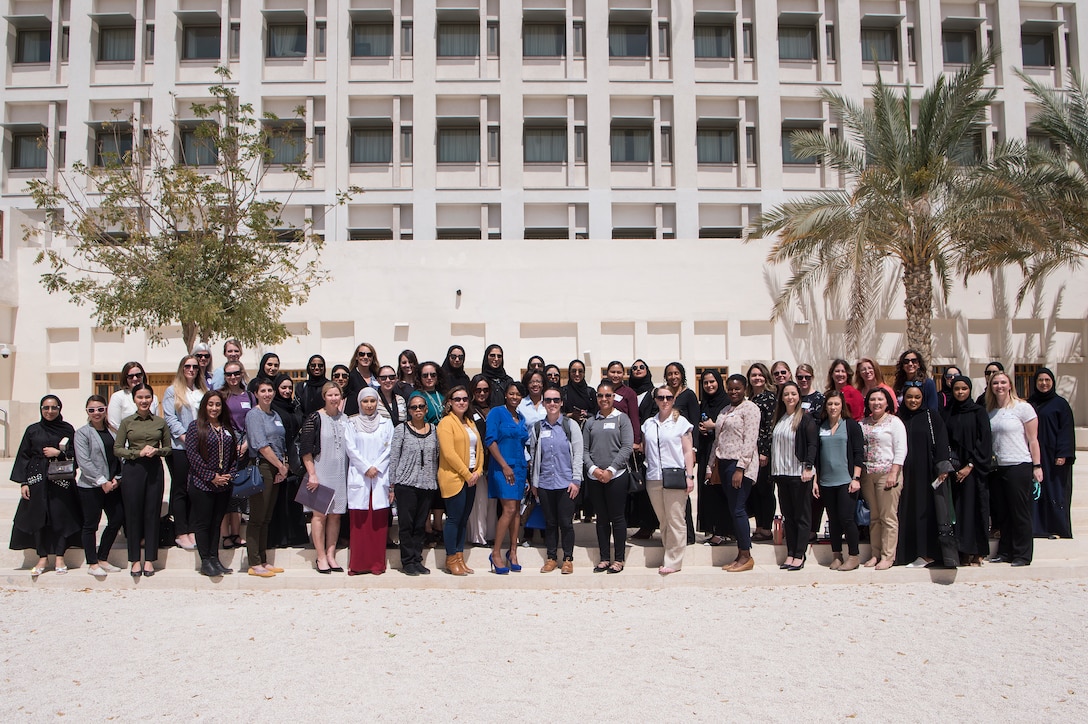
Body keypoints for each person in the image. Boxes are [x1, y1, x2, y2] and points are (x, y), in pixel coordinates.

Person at [10, 395, 80, 576]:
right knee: (38, 517)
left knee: (61, 516)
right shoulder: (33, 430)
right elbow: (24, 455)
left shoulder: (67, 429)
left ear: (59, 409)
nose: (50, 411)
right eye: (46, 408)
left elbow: (76, 453)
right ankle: (42, 557)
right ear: (41, 409)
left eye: (54, 407)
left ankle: (59, 557)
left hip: (61, 480)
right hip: (37, 479)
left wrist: (59, 453)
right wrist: (24, 482)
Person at [896, 383, 957, 568]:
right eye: (909, 397)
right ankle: (907, 553)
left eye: (917, 397)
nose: (913, 401)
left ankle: (926, 554)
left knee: (925, 511)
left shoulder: (932, 417)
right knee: (906, 511)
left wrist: (943, 468)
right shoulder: (899, 418)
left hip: (927, 473)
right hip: (904, 473)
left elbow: (942, 441)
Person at [113, 384, 172, 577]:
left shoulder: (160, 422)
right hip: (133, 470)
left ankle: (149, 559)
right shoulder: (127, 422)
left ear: (152, 399)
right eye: (140, 397)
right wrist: (137, 453)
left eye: (147, 397)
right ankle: (134, 560)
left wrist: (157, 450)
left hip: (154, 469)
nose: (144, 401)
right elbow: (117, 448)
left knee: (152, 513)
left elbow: (168, 448)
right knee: (133, 514)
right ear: (134, 399)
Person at [986, 371, 1043, 567]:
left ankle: (1022, 554)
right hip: (998, 467)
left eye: (1003, 382)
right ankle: (1005, 552)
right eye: (995, 383)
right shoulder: (990, 411)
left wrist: (1037, 465)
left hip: (1019, 465)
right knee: (1003, 512)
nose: (999, 386)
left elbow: (1033, 440)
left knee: (1020, 512)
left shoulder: (1023, 408)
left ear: (1010, 385)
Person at [642, 385, 696, 575]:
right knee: (663, 520)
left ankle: (674, 561)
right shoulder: (648, 424)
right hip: (653, 477)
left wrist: (689, 476)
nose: (665, 401)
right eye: (661, 397)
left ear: (674, 400)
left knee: (676, 519)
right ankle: (669, 553)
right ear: (655, 400)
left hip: (674, 475)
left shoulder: (681, 423)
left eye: (669, 397)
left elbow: (688, 451)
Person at [528, 388, 583, 574]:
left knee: (566, 523)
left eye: (556, 400)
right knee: (550, 523)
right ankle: (551, 558)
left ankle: (568, 559)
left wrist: (576, 480)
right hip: (545, 483)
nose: (552, 403)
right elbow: (534, 456)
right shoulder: (538, 427)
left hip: (567, 483)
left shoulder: (570, 426)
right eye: (548, 400)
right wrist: (534, 482)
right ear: (543, 403)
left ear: (561, 402)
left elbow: (578, 454)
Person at [184, 391, 239, 577]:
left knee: (216, 523)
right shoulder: (195, 427)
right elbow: (193, 455)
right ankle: (205, 560)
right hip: (202, 484)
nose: (214, 408)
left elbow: (234, 455)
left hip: (223, 484)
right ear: (204, 406)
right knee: (204, 523)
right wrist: (211, 476)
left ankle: (215, 558)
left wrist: (230, 474)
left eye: (217, 404)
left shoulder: (226, 427)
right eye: (210, 404)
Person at [582, 381, 634, 574]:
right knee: (601, 518)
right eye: (600, 395)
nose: (604, 399)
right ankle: (604, 558)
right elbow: (584, 450)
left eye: (608, 395)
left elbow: (627, 447)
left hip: (617, 476)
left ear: (613, 397)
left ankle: (618, 559)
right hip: (595, 477)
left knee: (617, 517)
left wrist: (611, 470)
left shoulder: (622, 419)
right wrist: (594, 469)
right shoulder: (590, 422)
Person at [712, 374, 761, 572]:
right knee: (733, 509)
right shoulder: (725, 410)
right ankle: (740, 554)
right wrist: (711, 466)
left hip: (739, 465)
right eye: (730, 389)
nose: (733, 392)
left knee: (739, 509)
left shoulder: (750, 408)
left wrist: (741, 467)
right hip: (723, 462)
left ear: (745, 389)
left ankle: (746, 555)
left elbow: (750, 440)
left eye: (737, 388)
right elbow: (718, 439)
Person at [942, 375, 993, 565]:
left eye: (964, 388)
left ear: (970, 390)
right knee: (959, 510)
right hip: (954, 469)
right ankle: (962, 550)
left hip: (974, 469)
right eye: (957, 389)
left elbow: (984, 440)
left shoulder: (978, 412)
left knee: (976, 507)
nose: (960, 392)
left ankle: (978, 550)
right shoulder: (948, 412)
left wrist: (970, 465)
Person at [300, 382, 350, 573]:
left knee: (336, 515)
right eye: (330, 395)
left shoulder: (345, 419)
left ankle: (331, 554)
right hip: (320, 472)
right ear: (324, 396)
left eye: (337, 395)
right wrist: (312, 474)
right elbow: (306, 449)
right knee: (319, 515)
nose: (334, 398)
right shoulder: (315, 417)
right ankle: (320, 556)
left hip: (340, 473)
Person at [345, 387, 395, 575]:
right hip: (360, 476)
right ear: (360, 403)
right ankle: (358, 565)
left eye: (372, 401)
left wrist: (377, 467)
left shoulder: (386, 423)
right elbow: (350, 448)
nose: (369, 405)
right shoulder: (351, 423)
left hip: (380, 477)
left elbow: (390, 448)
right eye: (365, 401)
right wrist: (366, 467)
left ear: (377, 402)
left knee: (378, 522)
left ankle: (376, 564)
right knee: (360, 523)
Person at [74, 395, 125, 577]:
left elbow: (120, 456)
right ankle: (92, 563)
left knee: (117, 519)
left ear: (105, 410)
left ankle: (102, 558)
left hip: (113, 485)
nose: (96, 413)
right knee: (91, 525)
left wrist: (117, 478)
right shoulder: (82, 433)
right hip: (91, 487)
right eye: (92, 410)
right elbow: (84, 461)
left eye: (100, 409)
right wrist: (101, 481)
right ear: (87, 412)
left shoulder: (113, 431)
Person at [389, 391, 439, 575]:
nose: (418, 410)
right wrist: (392, 485)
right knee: (406, 524)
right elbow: (394, 458)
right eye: (414, 407)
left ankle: (417, 559)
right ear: (409, 410)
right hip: (406, 484)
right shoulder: (401, 429)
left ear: (426, 409)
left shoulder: (434, 430)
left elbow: (437, 455)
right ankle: (407, 561)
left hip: (427, 484)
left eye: (421, 406)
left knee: (420, 524)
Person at [814, 390, 864, 571]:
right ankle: (836, 555)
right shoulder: (821, 426)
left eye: (836, 404)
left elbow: (858, 453)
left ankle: (854, 556)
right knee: (833, 519)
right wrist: (816, 481)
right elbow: (817, 456)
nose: (833, 407)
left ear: (842, 405)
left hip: (846, 480)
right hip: (827, 481)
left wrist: (856, 478)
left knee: (846, 518)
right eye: (830, 404)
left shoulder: (851, 425)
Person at [437, 386, 484, 575]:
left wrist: (478, 471)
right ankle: (451, 559)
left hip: (471, 477)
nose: (462, 402)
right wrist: (466, 474)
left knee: (464, 520)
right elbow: (449, 453)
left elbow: (479, 449)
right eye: (457, 399)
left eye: (465, 399)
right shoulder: (446, 423)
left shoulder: (469, 422)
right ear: (449, 402)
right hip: (455, 477)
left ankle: (459, 557)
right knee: (454, 519)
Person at [771, 381, 818, 571]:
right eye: (786, 394)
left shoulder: (805, 418)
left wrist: (809, 467)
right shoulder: (780, 418)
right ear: (782, 397)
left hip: (799, 473)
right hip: (781, 473)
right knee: (788, 517)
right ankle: (790, 553)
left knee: (802, 516)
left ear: (799, 396)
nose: (790, 397)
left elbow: (812, 444)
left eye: (793, 394)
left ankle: (800, 554)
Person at [162, 355, 207, 551]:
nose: (191, 370)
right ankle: (181, 532)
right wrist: (187, 439)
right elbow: (171, 419)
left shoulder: (203, 391)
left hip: (201, 447)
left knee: (196, 490)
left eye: (195, 367)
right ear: (182, 368)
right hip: (181, 448)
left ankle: (193, 530)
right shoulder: (172, 391)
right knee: (180, 489)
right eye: (188, 366)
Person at [244, 379, 289, 578]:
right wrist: (280, 466)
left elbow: (281, 441)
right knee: (257, 517)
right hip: (262, 466)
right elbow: (261, 445)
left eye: (270, 390)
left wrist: (283, 466)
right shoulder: (254, 415)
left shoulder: (274, 414)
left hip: (277, 467)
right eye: (263, 391)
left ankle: (263, 559)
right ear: (256, 394)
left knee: (266, 517)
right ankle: (254, 562)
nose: (267, 394)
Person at [860, 387, 907, 570]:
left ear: (887, 402)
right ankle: (875, 553)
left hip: (888, 474)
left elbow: (901, 448)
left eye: (880, 399)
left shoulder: (894, 422)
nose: (876, 403)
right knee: (874, 516)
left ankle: (888, 556)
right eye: (872, 399)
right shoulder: (863, 423)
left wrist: (894, 472)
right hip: (868, 474)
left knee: (888, 517)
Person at [486, 381, 530, 573]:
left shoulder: (521, 417)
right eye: (511, 393)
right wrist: (504, 466)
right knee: (509, 509)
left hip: (520, 468)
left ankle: (513, 552)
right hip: (503, 467)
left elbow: (522, 445)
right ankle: (495, 553)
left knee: (517, 511)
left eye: (518, 394)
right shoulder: (496, 413)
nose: (515, 397)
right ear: (505, 394)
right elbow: (490, 441)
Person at [1029, 367, 1076, 539]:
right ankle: (1038, 528)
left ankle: (1058, 528)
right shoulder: (1030, 403)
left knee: (1055, 490)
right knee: (1037, 491)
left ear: (1052, 382)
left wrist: (1063, 453)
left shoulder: (1060, 404)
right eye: (1040, 380)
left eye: (1047, 380)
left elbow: (1066, 430)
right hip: (1035, 455)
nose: (1044, 383)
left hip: (1055, 457)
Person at [268, 373, 308, 548]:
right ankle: (279, 539)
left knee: (293, 499)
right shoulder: (272, 408)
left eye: (289, 388)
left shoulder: (293, 407)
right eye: (283, 387)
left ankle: (295, 537)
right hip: (279, 459)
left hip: (295, 460)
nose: (286, 391)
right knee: (278, 500)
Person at [217, 360, 252, 552]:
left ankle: (237, 533)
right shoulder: (220, 395)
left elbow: (253, 421)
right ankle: (225, 535)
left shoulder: (249, 396)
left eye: (236, 373)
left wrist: (245, 444)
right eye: (229, 374)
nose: (233, 377)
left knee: (239, 492)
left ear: (241, 373)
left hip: (244, 446)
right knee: (225, 491)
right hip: (224, 446)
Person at [696, 369, 730, 546]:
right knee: (707, 491)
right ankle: (713, 529)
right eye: (705, 382)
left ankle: (723, 531)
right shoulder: (705, 402)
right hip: (705, 451)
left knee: (720, 491)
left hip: (721, 453)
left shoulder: (727, 402)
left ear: (719, 382)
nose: (709, 385)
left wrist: (713, 426)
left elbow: (733, 426)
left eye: (712, 382)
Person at [627, 359, 658, 539]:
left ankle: (648, 525)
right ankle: (635, 523)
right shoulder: (628, 392)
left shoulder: (653, 393)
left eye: (641, 367)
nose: (638, 370)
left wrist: (643, 442)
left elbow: (653, 418)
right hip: (628, 446)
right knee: (632, 485)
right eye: (634, 368)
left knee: (646, 487)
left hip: (646, 446)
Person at [746, 362, 777, 541]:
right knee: (755, 490)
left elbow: (769, 427)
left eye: (760, 375)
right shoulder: (751, 399)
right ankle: (758, 526)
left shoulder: (769, 398)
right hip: (752, 451)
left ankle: (766, 528)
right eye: (753, 375)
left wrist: (764, 452)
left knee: (765, 490)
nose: (757, 378)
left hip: (763, 452)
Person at [466, 375, 497, 546]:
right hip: (476, 462)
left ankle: (490, 534)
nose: (482, 393)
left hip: (494, 461)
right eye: (478, 390)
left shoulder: (495, 409)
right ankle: (478, 537)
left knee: (492, 501)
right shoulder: (468, 410)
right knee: (479, 501)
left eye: (485, 390)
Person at [107, 361, 160, 433]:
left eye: (138, 375)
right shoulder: (118, 397)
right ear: (125, 378)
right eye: (130, 376)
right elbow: (114, 424)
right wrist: (133, 436)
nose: (135, 378)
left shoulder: (153, 397)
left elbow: (156, 422)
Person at [604, 361, 643, 449]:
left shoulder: (629, 393)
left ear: (623, 374)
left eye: (619, 372)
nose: (615, 375)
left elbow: (634, 418)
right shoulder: (603, 391)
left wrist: (636, 441)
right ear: (607, 373)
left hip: (622, 437)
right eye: (613, 372)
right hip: (605, 435)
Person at [345, 342, 380, 416]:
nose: (366, 357)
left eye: (369, 355)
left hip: (377, 416)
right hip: (357, 417)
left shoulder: (377, 376)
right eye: (362, 354)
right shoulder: (351, 377)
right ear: (356, 357)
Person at [480, 344, 514, 408]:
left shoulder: (508, 380)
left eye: (499, 356)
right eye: (492, 355)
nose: (496, 359)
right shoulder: (480, 380)